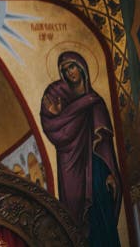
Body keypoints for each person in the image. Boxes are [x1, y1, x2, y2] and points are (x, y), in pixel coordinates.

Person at [41, 51, 122, 246]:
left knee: (101, 215)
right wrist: (58, 116)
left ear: (82, 68)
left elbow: (104, 143)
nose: (70, 73)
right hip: (73, 173)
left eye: (72, 66)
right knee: (80, 224)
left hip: (97, 170)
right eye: (66, 70)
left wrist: (110, 172)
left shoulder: (95, 102)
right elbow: (57, 132)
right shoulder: (62, 103)